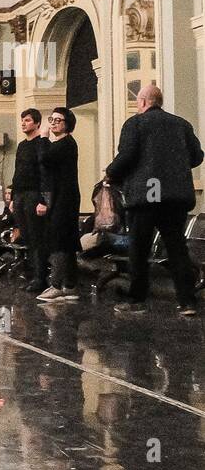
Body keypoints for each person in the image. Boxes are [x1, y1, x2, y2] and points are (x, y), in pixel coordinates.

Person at [105, 84, 204, 315]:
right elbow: (197, 156)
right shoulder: (182, 124)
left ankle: (137, 299)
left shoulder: (135, 123)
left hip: (148, 193)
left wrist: (111, 173)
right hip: (175, 196)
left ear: (142, 102)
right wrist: (174, 168)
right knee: (177, 247)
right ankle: (187, 302)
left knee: (139, 247)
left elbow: (127, 156)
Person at [36, 107, 81, 302]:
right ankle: (70, 285)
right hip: (64, 197)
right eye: (51, 119)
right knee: (67, 241)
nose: (53, 123)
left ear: (67, 124)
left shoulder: (65, 144)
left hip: (64, 198)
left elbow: (44, 159)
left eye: (57, 120)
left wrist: (43, 138)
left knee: (59, 241)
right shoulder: (63, 144)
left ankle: (56, 285)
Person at [11, 108, 50, 292]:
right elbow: (17, 171)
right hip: (20, 194)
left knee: (37, 237)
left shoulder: (41, 144)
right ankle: (33, 274)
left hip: (34, 194)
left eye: (27, 120)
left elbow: (45, 173)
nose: (23, 123)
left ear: (36, 123)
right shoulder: (21, 145)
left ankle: (40, 277)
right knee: (26, 236)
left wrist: (43, 199)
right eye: (22, 120)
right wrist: (12, 196)